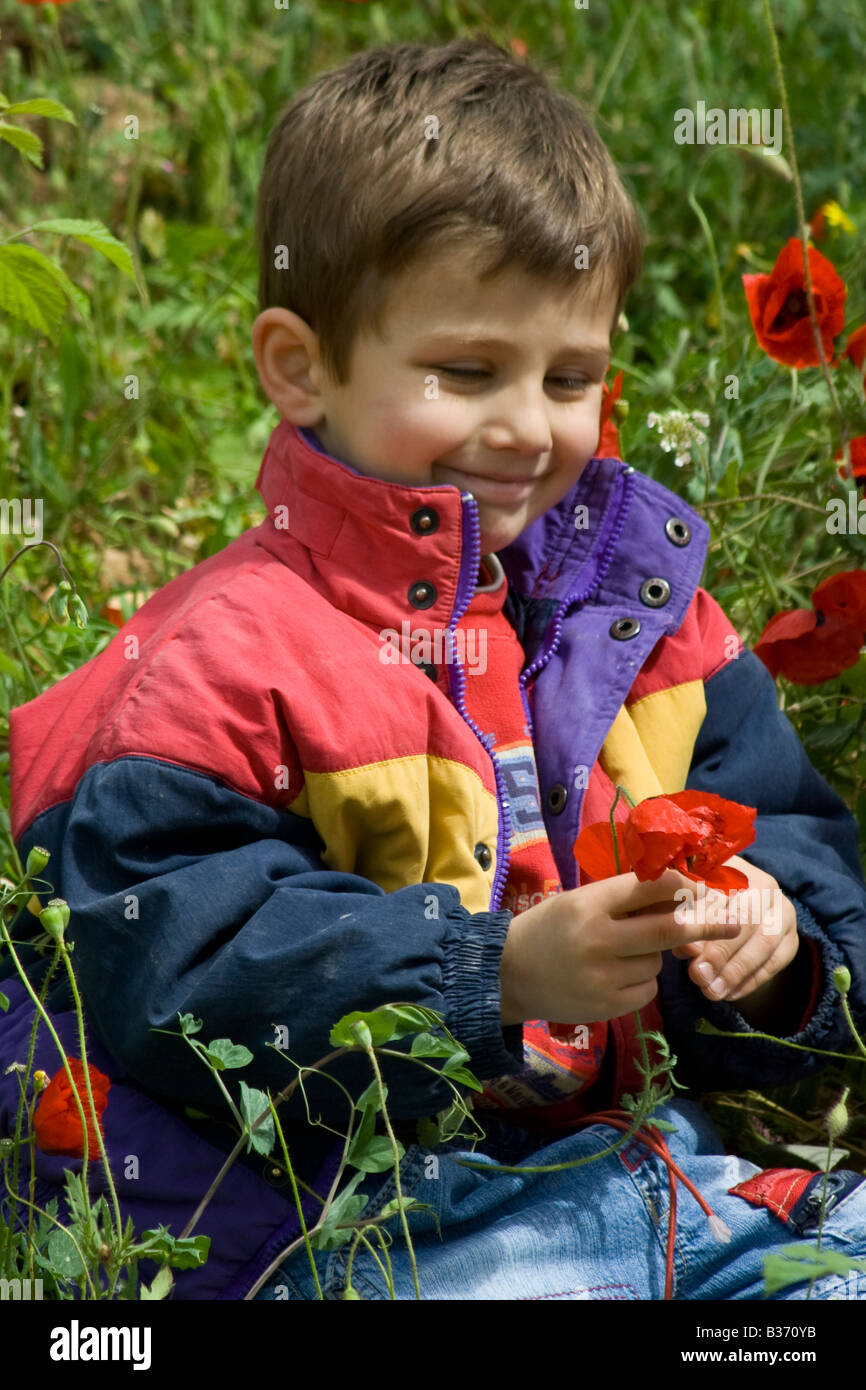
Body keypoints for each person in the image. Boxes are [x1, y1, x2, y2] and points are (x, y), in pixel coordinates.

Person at [4, 35, 866, 1302]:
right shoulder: (221, 655)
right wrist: (493, 974)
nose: (527, 425)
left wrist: (777, 947)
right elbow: (167, 965)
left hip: (635, 1181)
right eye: (466, 372)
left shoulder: (651, 622)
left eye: (568, 377)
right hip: (349, 1221)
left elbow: (807, 856)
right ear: (300, 365)